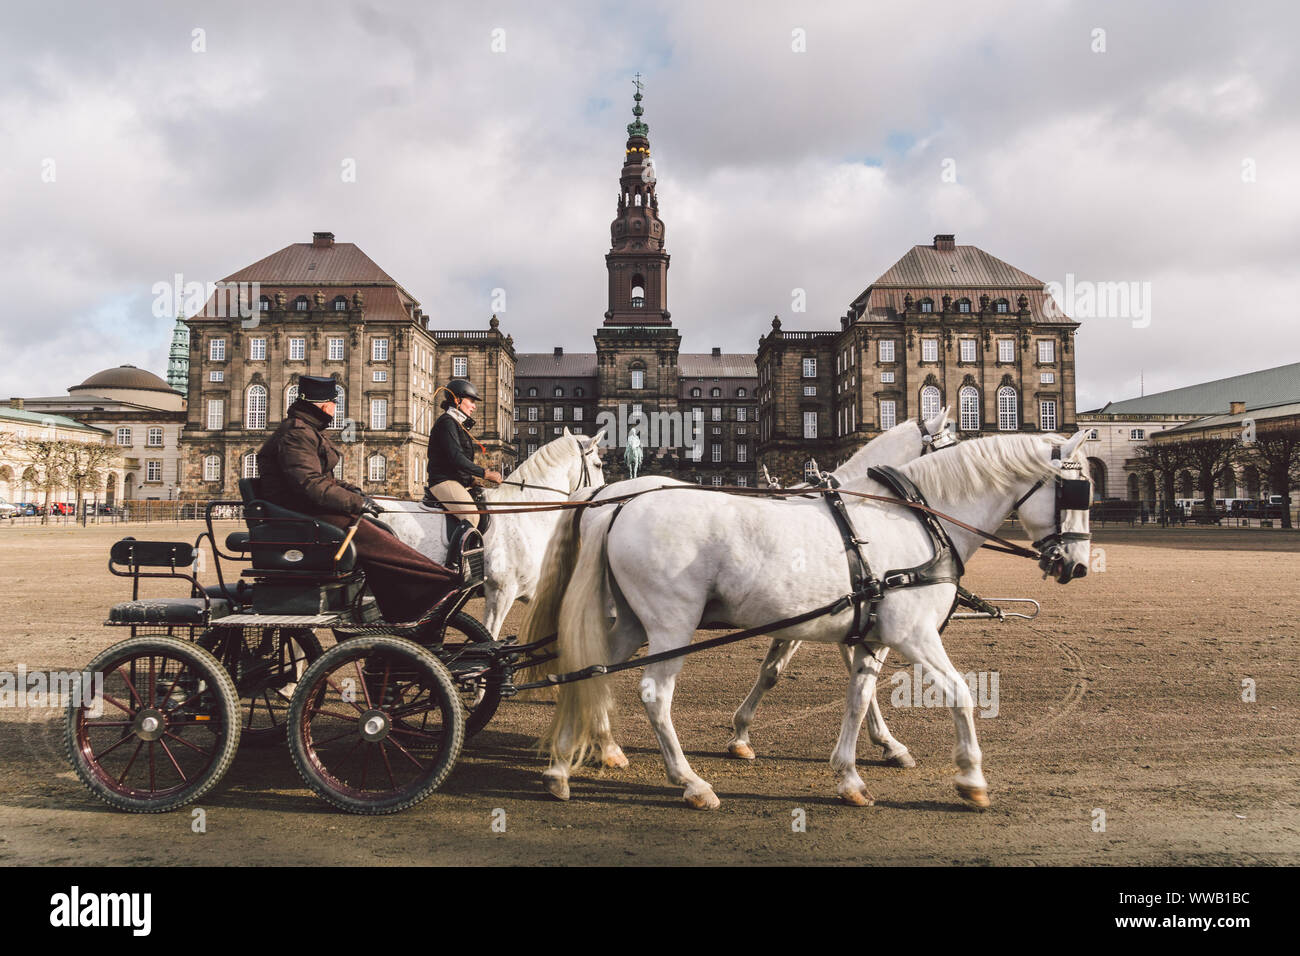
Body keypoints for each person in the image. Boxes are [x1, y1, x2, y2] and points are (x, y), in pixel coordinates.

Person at [256, 374, 457, 624]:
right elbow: (310, 484)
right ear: (322, 405)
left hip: (306, 513)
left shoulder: (306, 431)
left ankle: (401, 602)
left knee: (381, 532)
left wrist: (356, 492)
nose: (335, 408)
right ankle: (435, 585)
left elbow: (322, 479)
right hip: (301, 519)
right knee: (378, 541)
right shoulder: (297, 434)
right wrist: (357, 503)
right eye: (333, 402)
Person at [426, 379, 502, 530]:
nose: (474, 406)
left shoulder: (457, 424)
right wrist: (484, 474)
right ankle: (457, 555)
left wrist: (471, 480)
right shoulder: (447, 423)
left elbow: (455, 461)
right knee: (471, 516)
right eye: (471, 401)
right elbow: (456, 458)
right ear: (457, 400)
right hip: (443, 482)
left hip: (456, 481)